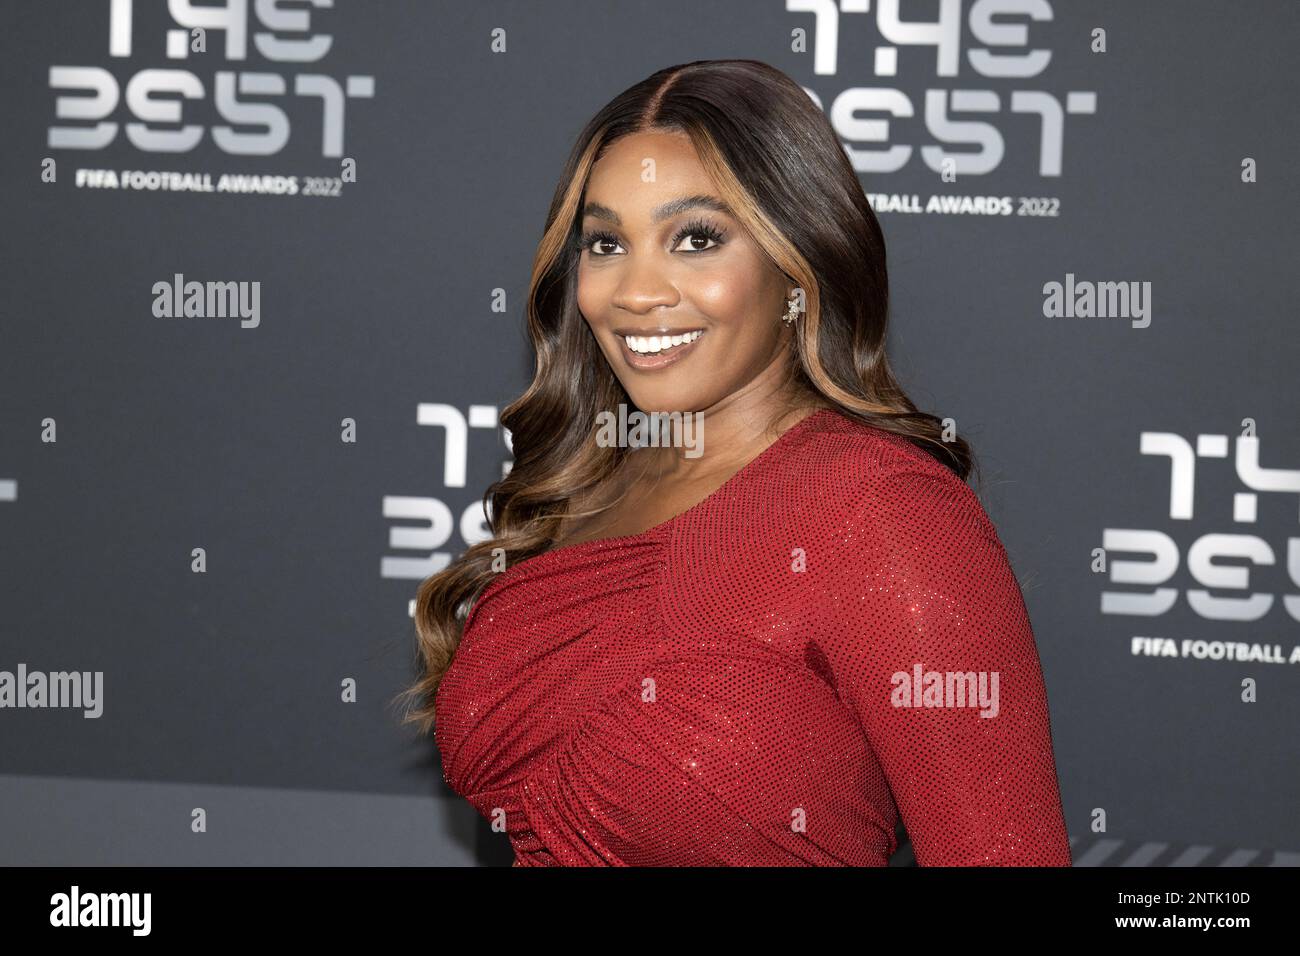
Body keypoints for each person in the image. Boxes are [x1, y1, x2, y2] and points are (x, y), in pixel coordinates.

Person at [398, 59, 1072, 866]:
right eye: (607, 243)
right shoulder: (590, 481)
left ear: (799, 257)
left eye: (696, 239)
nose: (637, 292)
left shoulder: (882, 512)